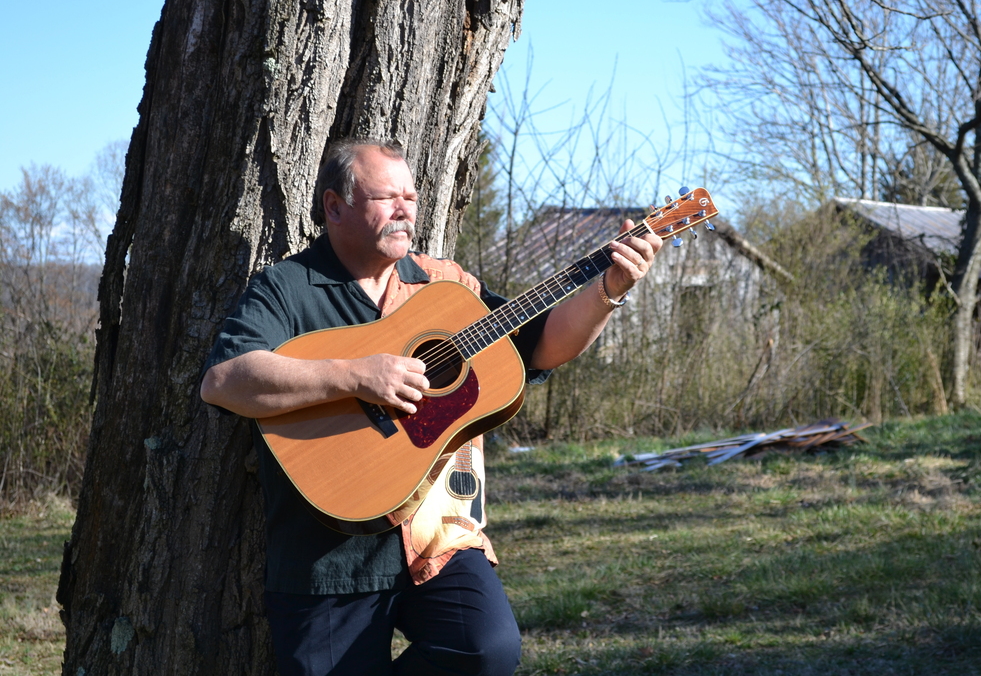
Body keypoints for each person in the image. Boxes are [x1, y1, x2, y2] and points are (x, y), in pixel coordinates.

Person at [200, 138, 661, 676]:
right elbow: (224, 381)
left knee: (486, 648)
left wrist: (609, 288)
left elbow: (539, 345)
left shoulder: (447, 288)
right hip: (326, 556)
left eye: (411, 198)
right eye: (387, 197)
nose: (405, 210)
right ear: (334, 206)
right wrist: (354, 375)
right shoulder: (287, 288)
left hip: (437, 538)